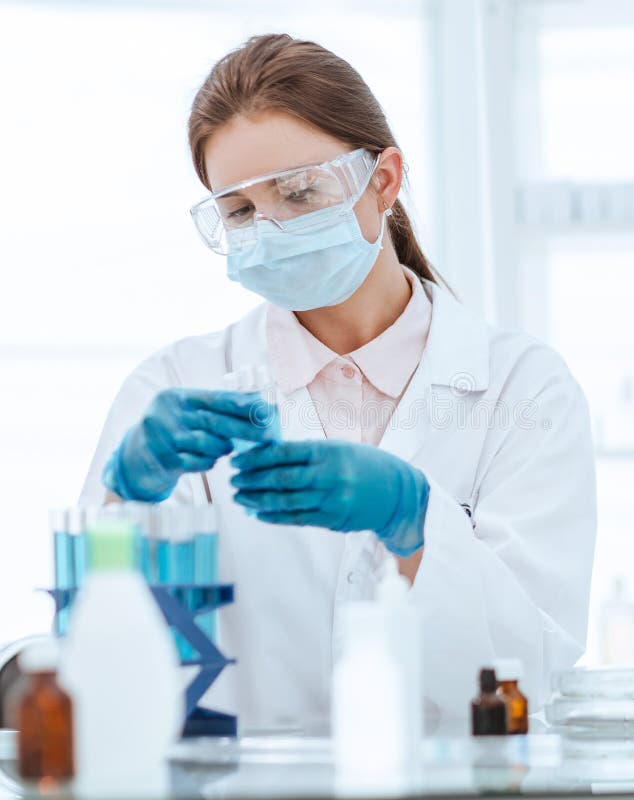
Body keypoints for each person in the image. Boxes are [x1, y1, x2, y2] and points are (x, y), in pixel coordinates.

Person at [79, 34, 596, 730]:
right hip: (247, 780)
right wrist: (123, 500)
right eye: (239, 211)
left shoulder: (522, 390)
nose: (270, 229)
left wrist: (418, 528)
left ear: (383, 180)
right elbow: (103, 670)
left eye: (299, 192)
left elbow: (530, 670)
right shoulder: (177, 387)